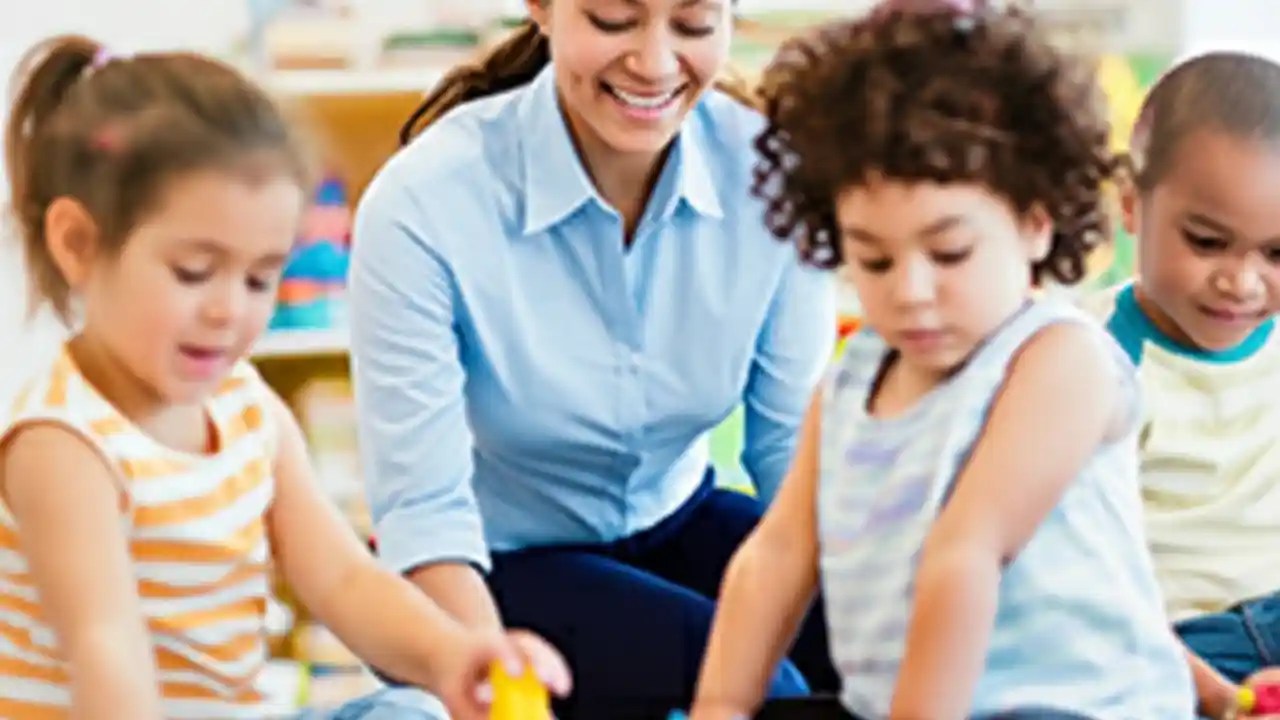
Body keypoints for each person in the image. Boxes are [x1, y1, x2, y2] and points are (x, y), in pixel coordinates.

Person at [0, 35, 569, 720]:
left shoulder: (245, 407)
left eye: (260, 277)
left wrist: (457, 655)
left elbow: (343, 578)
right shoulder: (62, 445)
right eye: (193, 272)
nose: (228, 310)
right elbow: (106, 649)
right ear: (79, 244)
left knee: (409, 712)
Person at [687, 2, 1197, 719]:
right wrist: (721, 710)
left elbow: (965, 555)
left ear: (1035, 220)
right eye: (873, 257)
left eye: (949, 253)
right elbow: (776, 558)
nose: (910, 292)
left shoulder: (1058, 361)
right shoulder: (854, 378)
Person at [348, 0, 837, 717]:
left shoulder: (771, 176)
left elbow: (791, 452)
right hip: (501, 565)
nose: (655, 62)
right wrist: (495, 684)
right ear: (541, 9)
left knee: (879, 639)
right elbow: (424, 516)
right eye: (613, 19)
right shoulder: (424, 203)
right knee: (756, 685)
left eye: (694, 24)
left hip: (682, 516)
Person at [1081, 51, 1280, 720]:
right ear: (1132, 204)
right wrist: (1206, 687)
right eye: (1207, 241)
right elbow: (1078, 574)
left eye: (1277, 254)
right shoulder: (1084, 360)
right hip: (1163, 638)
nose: (1242, 282)